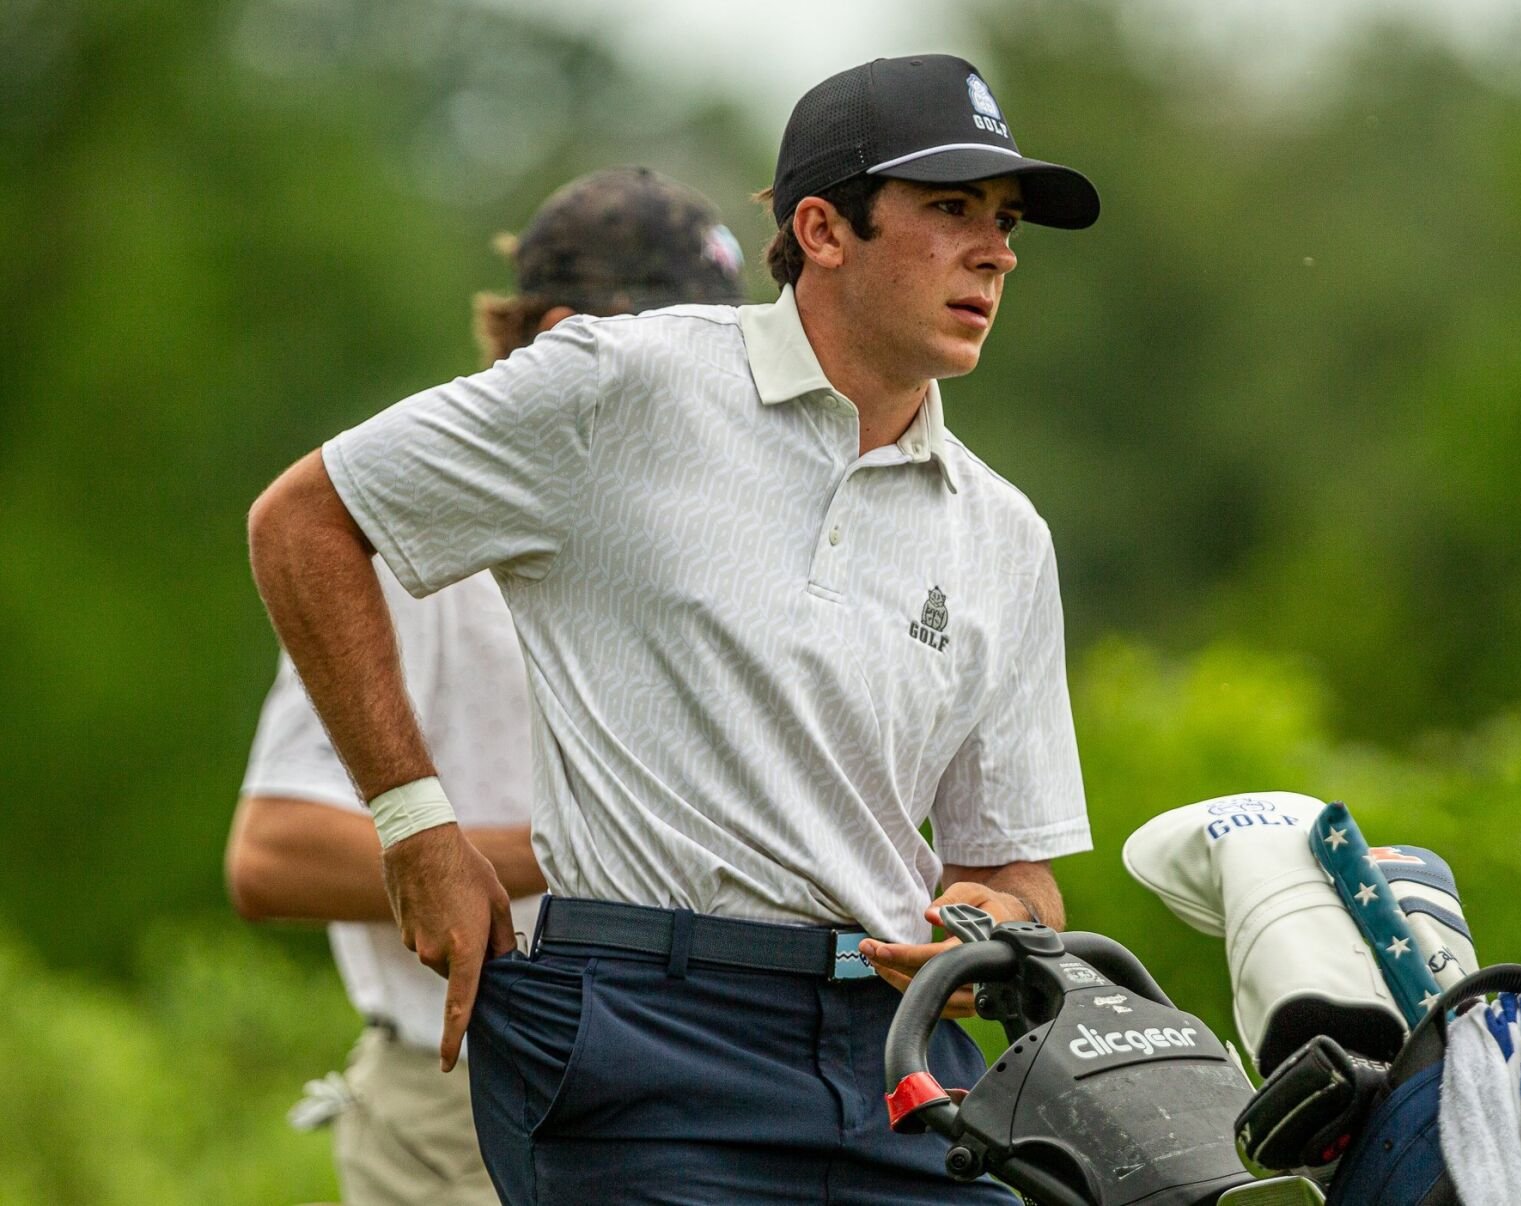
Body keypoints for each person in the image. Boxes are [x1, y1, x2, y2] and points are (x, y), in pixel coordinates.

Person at [246, 53, 1100, 1204]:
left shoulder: (1004, 531)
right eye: (949, 210)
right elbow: (304, 519)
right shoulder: (619, 383)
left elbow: (1014, 873)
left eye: (1002, 223)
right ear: (822, 228)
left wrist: (980, 925)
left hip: (894, 1056)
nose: (994, 251)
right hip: (643, 1035)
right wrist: (414, 825)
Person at [225, 167, 747, 1206]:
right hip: (458, 1112)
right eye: (685, 341)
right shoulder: (421, 550)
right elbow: (271, 854)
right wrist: (566, 855)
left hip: (662, 1106)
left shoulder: (696, 547)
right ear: (562, 339)